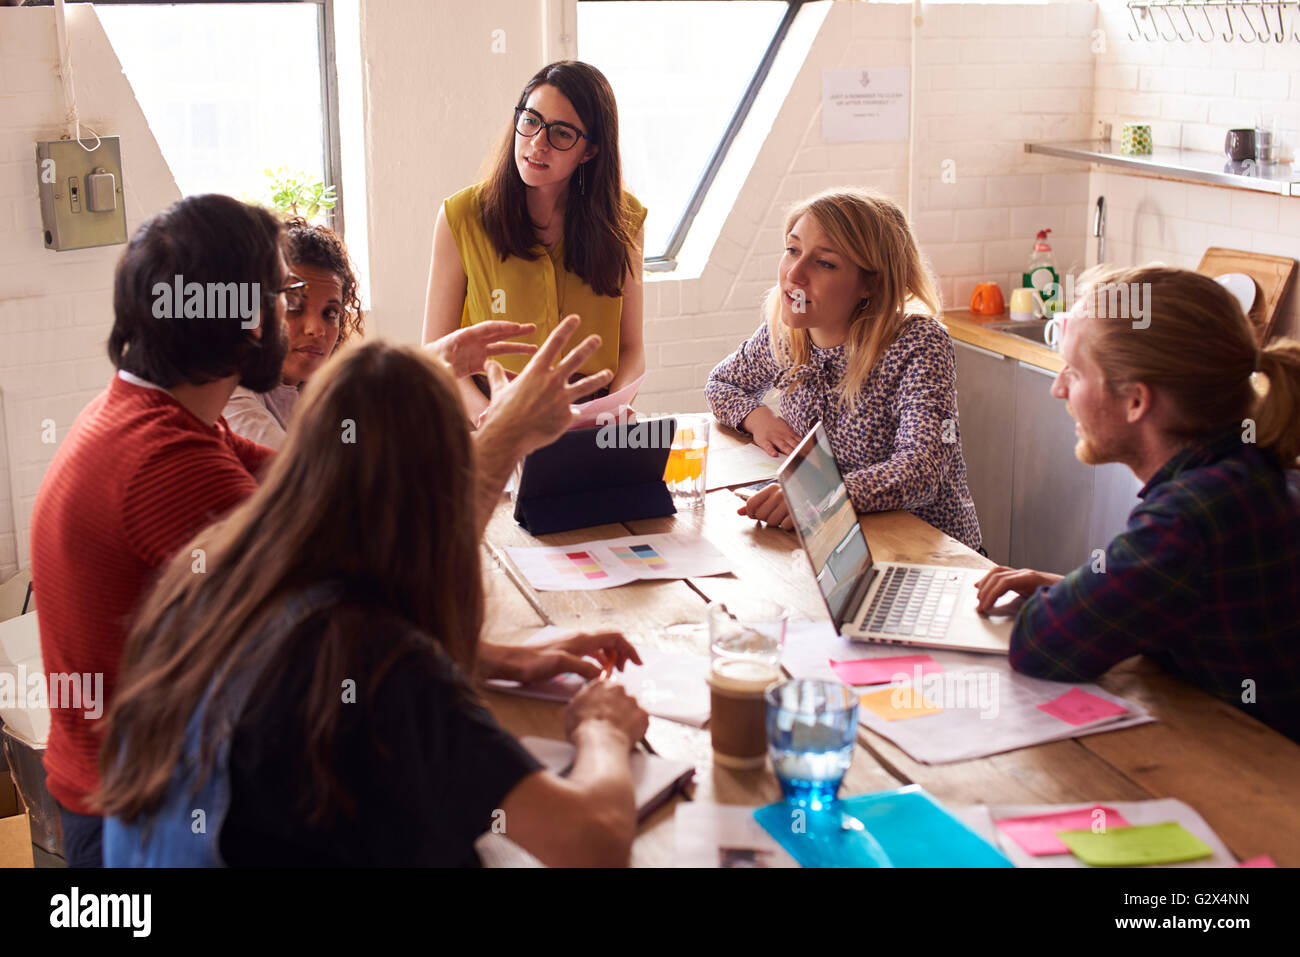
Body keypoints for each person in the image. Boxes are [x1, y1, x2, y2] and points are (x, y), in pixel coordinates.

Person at [31, 193, 626, 867]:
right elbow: (368, 582)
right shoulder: (166, 464)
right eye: (281, 295)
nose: (300, 322)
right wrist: (510, 432)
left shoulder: (172, 417)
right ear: (243, 322)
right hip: (129, 814)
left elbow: (328, 487)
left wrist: (509, 659)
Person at [99, 341, 649, 867]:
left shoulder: (215, 568)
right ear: (439, 490)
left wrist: (495, 658)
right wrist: (601, 730)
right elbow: (592, 845)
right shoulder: (379, 665)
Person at [973, 265, 1300, 742]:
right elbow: (1189, 600)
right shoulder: (1249, 471)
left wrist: (1069, 601)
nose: (1058, 387)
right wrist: (1073, 587)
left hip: (1259, 787)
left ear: (1136, 402)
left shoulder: (1186, 517)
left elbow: (1040, 644)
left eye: (1076, 371)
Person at [705, 187, 982, 551]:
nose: (795, 274)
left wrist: (815, 496)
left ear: (871, 283)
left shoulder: (919, 342)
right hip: (833, 544)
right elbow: (721, 383)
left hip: (928, 555)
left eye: (825, 263)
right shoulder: (787, 334)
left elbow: (922, 470)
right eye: (792, 250)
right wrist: (758, 418)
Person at [422, 60, 647, 425]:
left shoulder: (627, 220)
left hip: (591, 420)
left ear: (590, 151)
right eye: (530, 121)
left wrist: (615, 410)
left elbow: (632, 348)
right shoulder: (460, 216)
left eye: (561, 133)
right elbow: (437, 357)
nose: (537, 143)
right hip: (489, 417)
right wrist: (490, 420)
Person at [225, 217, 538, 447]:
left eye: (330, 313)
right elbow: (303, 481)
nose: (316, 328)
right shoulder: (230, 394)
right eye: (294, 306)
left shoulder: (320, 395)